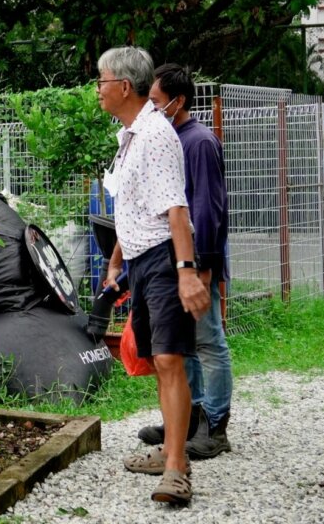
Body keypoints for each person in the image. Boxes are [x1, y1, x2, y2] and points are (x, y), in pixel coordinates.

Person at [96, 47, 210, 506]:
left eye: (101, 82)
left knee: (168, 360)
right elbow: (132, 204)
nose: (98, 90)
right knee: (156, 361)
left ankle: (177, 469)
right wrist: (118, 261)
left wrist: (186, 273)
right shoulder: (131, 134)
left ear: (124, 86)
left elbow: (175, 209)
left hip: (164, 260)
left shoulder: (155, 135)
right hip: (142, 260)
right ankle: (171, 452)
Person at [135, 63, 234, 459]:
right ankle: (186, 421)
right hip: (173, 261)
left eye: (157, 102)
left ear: (179, 101)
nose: (152, 109)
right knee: (183, 344)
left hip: (196, 261)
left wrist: (204, 264)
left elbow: (208, 208)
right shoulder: (166, 139)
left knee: (209, 340)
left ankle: (216, 423)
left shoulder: (199, 142)